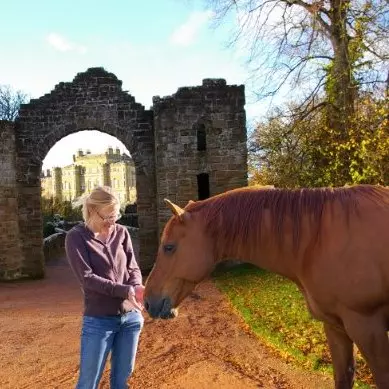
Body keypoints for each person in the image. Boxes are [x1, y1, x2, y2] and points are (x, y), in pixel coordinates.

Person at [65, 186, 144, 389]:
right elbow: (87, 279)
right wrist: (125, 290)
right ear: (92, 211)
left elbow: (132, 267)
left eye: (115, 216)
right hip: (99, 321)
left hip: (131, 319)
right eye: (107, 217)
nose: (112, 222)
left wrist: (136, 286)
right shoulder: (76, 237)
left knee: (122, 383)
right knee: (88, 384)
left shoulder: (122, 233)